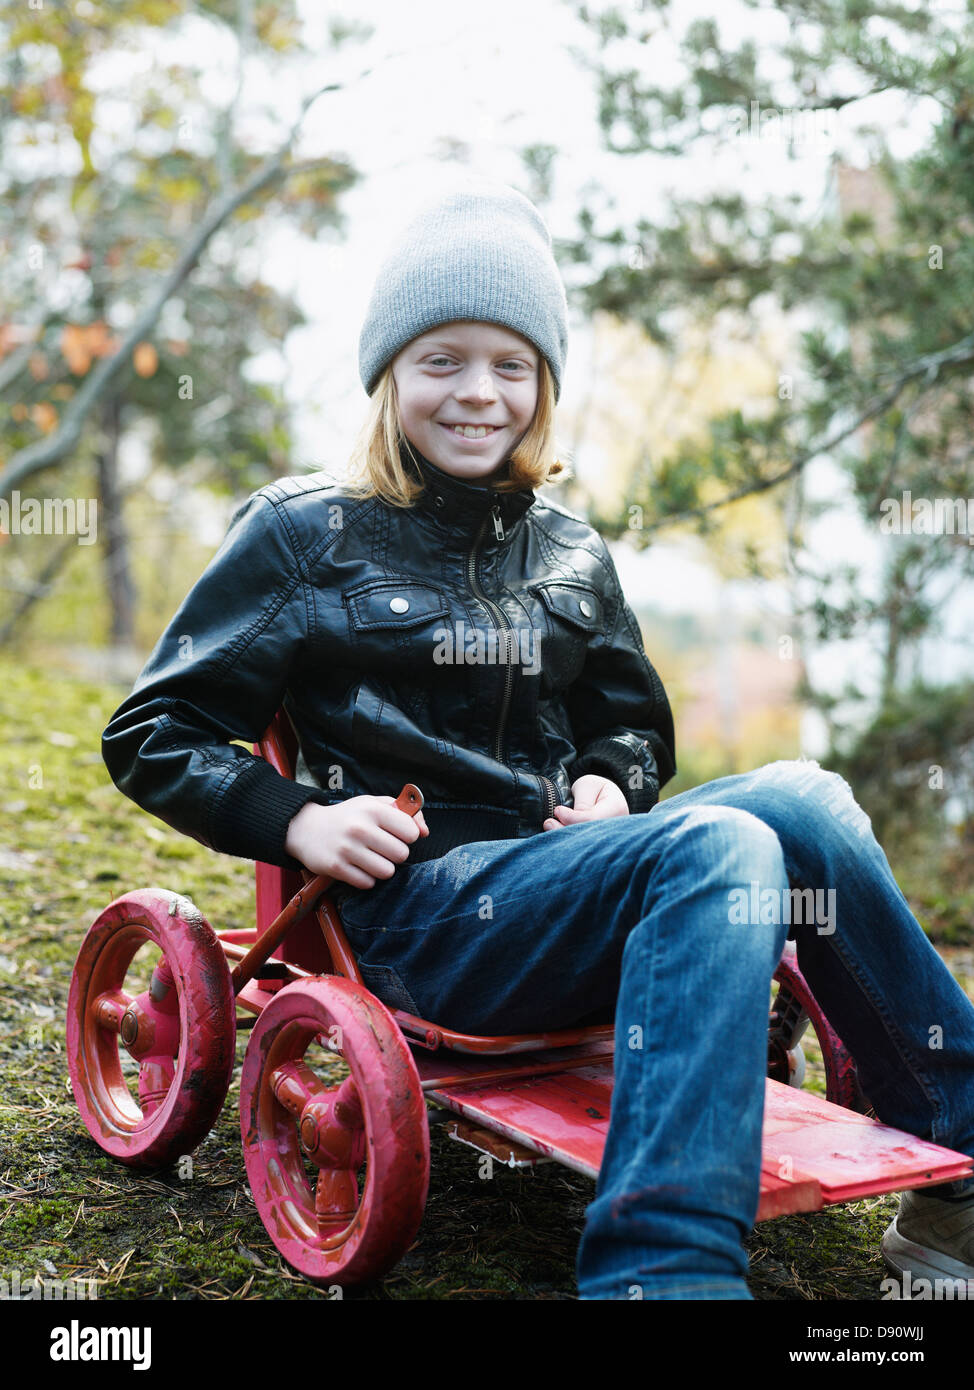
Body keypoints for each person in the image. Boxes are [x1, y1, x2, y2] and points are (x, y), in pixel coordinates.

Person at [102, 179, 974, 1300]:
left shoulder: (569, 551)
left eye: (510, 366)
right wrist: (302, 817)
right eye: (442, 359)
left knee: (802, 798)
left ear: (543, 386)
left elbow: (628, 723)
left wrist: (615, 778)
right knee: (717, 849)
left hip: (566, 887)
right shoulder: (300, 534)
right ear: (388, 374)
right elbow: (152, 730)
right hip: (423, 919)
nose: (478, 393)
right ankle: (661, 1275)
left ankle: (956, 1183)